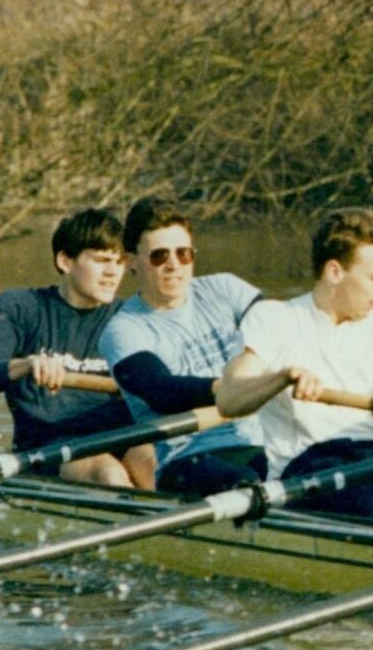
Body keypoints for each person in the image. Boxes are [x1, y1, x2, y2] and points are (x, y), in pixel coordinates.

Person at [216, 207, 373, 521]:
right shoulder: (275, 318)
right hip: (308, 468)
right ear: (334, 272)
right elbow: (229, 399)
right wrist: (282, 377)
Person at [0, 208, 155, 488]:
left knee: (160, 463)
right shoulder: (20, 307)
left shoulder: (132, 318)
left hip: (124, 438)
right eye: (101, 260)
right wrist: (27, 365)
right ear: (65, 261)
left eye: (119, 261)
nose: (113, 272)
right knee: (108, 473)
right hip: (50, 450)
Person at [100, 198, 268, 496]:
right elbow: (161, 390)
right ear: (131, 262)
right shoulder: (123, 330)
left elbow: (288, 331)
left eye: (184, 253)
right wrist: (229, 389)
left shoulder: (226, 288)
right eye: (159, 255)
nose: (173, 264)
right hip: (188, 458)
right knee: (246, 482)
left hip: (265, 442)